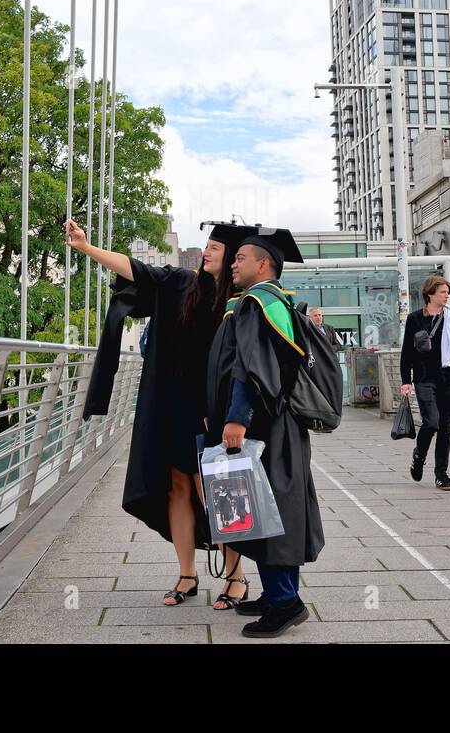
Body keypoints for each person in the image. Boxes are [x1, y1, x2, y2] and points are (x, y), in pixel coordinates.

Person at [68, 218, 251, 610]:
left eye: (215, 249)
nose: (206, 252)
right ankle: (187, 573)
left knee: (216, 491)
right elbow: (136, 269)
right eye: (207, 246)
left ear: (233, 257)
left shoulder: (239, 301)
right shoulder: (181, 283)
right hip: (170, 404)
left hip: (211, 410)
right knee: (177, 487)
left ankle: (236, 576)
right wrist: (86, 247)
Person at [204, 226, 325, 639]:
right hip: (270, 426)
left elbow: (249, 367)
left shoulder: (259, 303)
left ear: (263, 264)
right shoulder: (267, 303)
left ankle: (286, 602)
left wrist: (235, 418)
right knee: (260, 509)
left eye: (240, 258)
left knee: (274, 513)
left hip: (267, 427)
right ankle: (276, 594)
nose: (232, 264)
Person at [400, 275, 450, 491]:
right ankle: (419, 456)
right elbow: (407, 352)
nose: (446, 295)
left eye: (447, 292)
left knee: (446, 428)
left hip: (447, 378)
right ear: (430, 294)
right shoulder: (414, 319)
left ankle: (442, 474)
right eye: (442, 292)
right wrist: (406, 380)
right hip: (423, 379)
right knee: (431, 422)